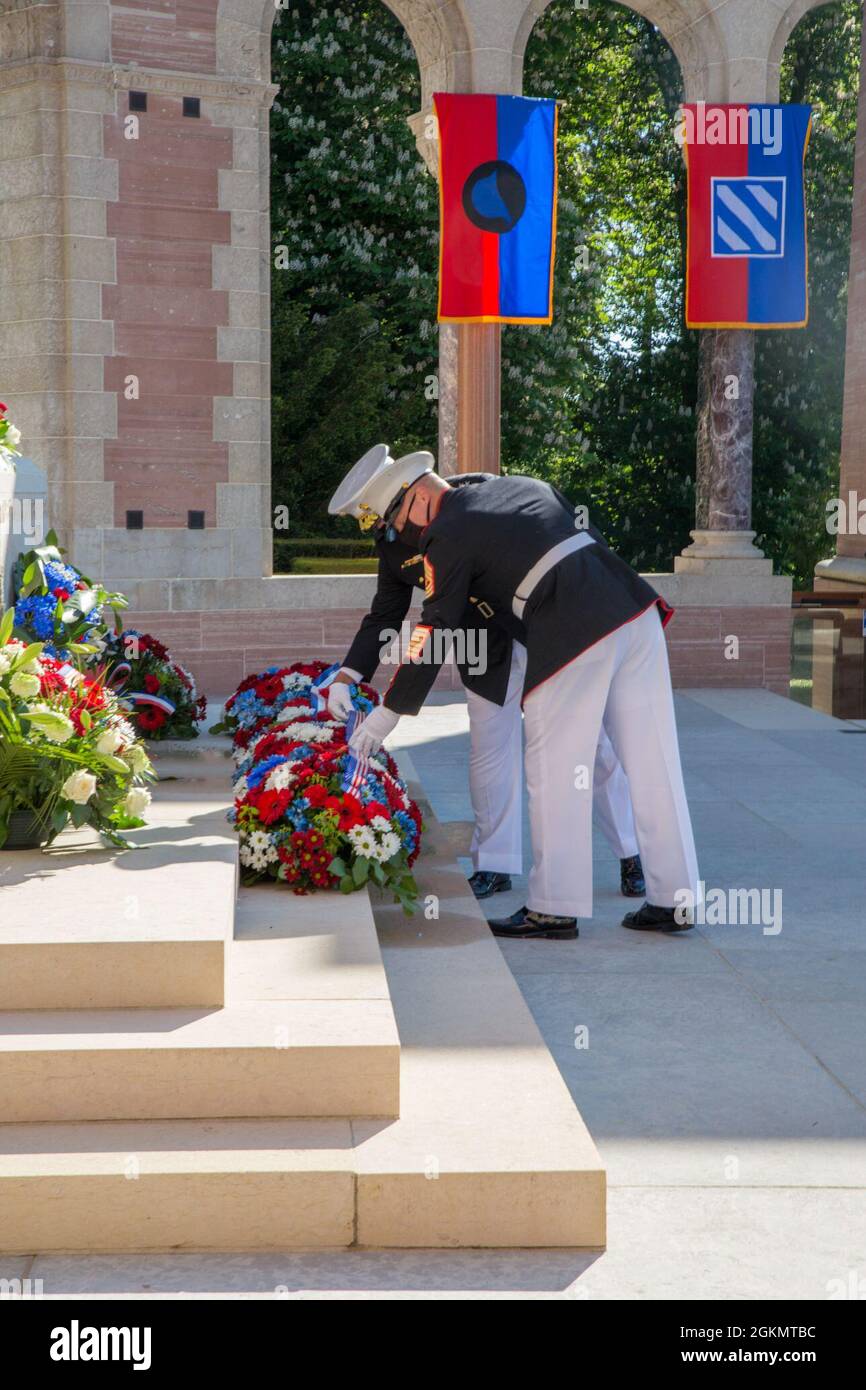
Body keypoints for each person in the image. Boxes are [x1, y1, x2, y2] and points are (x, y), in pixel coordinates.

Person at [329, 445, 699, 941]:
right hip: (635, 611)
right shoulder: (522, 485)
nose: (403, 538)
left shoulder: (445, 529)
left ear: (415, 498)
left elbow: (434, 629)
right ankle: (675, 900)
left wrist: (387, 715)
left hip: (570, 632)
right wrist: (350, 676)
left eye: (397, 523)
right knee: (657, 762)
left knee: (555, 768)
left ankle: (553, 908)